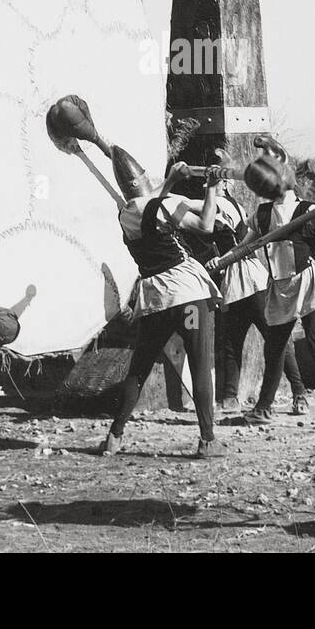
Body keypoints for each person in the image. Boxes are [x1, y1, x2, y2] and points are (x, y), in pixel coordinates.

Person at [100, 147, 226, 459]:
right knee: (200, 365)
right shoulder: (167, 205)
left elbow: (150, 201)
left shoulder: (125, 213)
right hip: (189, 299)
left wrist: (171, 181)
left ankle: (114, 437)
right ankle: (208, 440)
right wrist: (211, 188)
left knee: (139, 368)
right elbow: (207, 227)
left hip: (155, 302)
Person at [175, 162, 310, 418]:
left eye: (213, 185)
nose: (208, 189)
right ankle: (229, 397)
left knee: (276, 339)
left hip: (249, 277)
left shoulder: (223, 204)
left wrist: (163, 193)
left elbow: (185, 205)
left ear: (225, 185)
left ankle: (299, 392)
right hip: (234, 282)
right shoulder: (222, 204)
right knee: (231, 342)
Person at [243, 137, 315, 431]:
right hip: (280, 286)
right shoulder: (262, 215)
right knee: (274, 351)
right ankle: (263, 409)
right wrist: (221, 261)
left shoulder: (308, 209)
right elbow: (245, 246)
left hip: (308, 283)